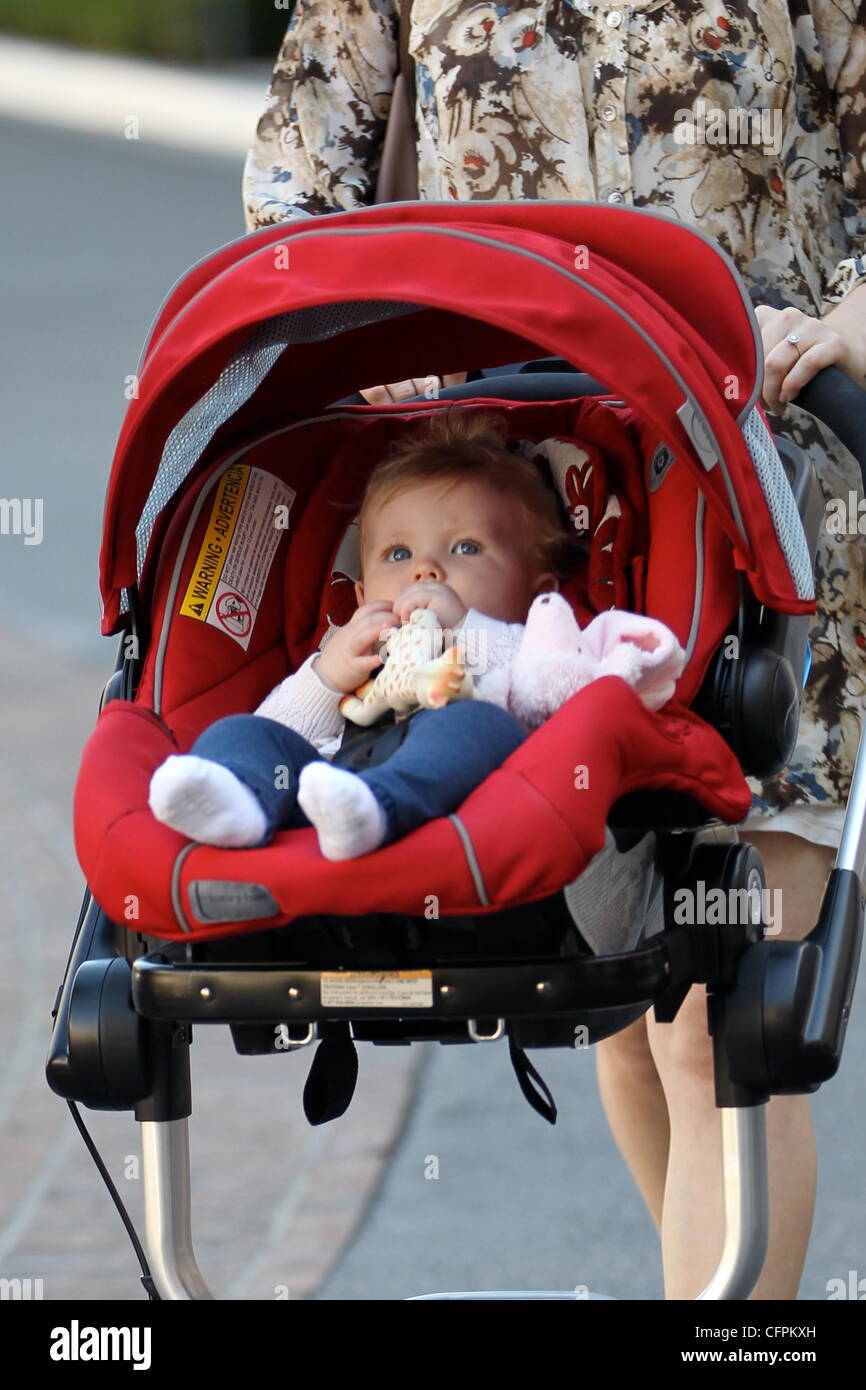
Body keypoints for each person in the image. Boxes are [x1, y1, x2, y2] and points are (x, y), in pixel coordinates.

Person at [241, 3, 866, 1296]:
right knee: (638, 1018)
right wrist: (376, 365)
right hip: (514, 520)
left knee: (720, 1019)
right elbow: (303, 170)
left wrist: (858, 313)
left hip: (769, 491)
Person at [148, 411, 579, 856]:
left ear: (539, 593)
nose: (424, 569)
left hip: (451, 821)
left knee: (471, 724)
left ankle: (378, 805)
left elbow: (560, 706)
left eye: (465, 548)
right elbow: (284, 733)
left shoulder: (536, 647)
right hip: (326, 807)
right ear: (362, 594)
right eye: (398, 553)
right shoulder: (357, 657)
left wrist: (467, 630)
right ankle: (240, 804)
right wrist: (326, 679)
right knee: (244, 733)